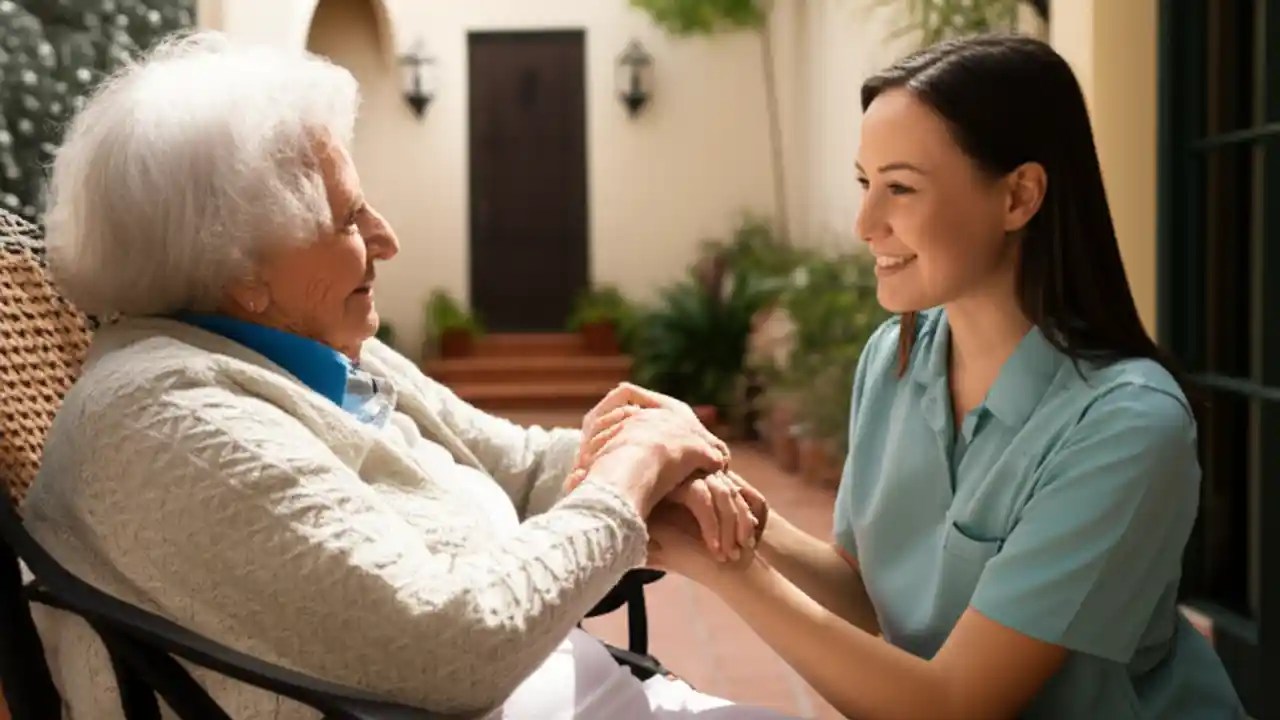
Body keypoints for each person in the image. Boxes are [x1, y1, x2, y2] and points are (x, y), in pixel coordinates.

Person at [23, 32, 791, 719]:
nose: (385, 240)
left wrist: (656, 455)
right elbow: (457, 644)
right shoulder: (168, 424)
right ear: (240, 272)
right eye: (348, 221)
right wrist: (627, 478)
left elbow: (520, 469)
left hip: (587, 687)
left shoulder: (316, 349)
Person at [580, 35, 1245, 719]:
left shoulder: (1127, 426)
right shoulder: (896, 358)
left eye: (900, 188)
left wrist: (721, 566)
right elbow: (871, 597)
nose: (866, 224)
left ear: (1019, 196)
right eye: (865, 184)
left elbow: (955, 704)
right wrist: (719, 495)